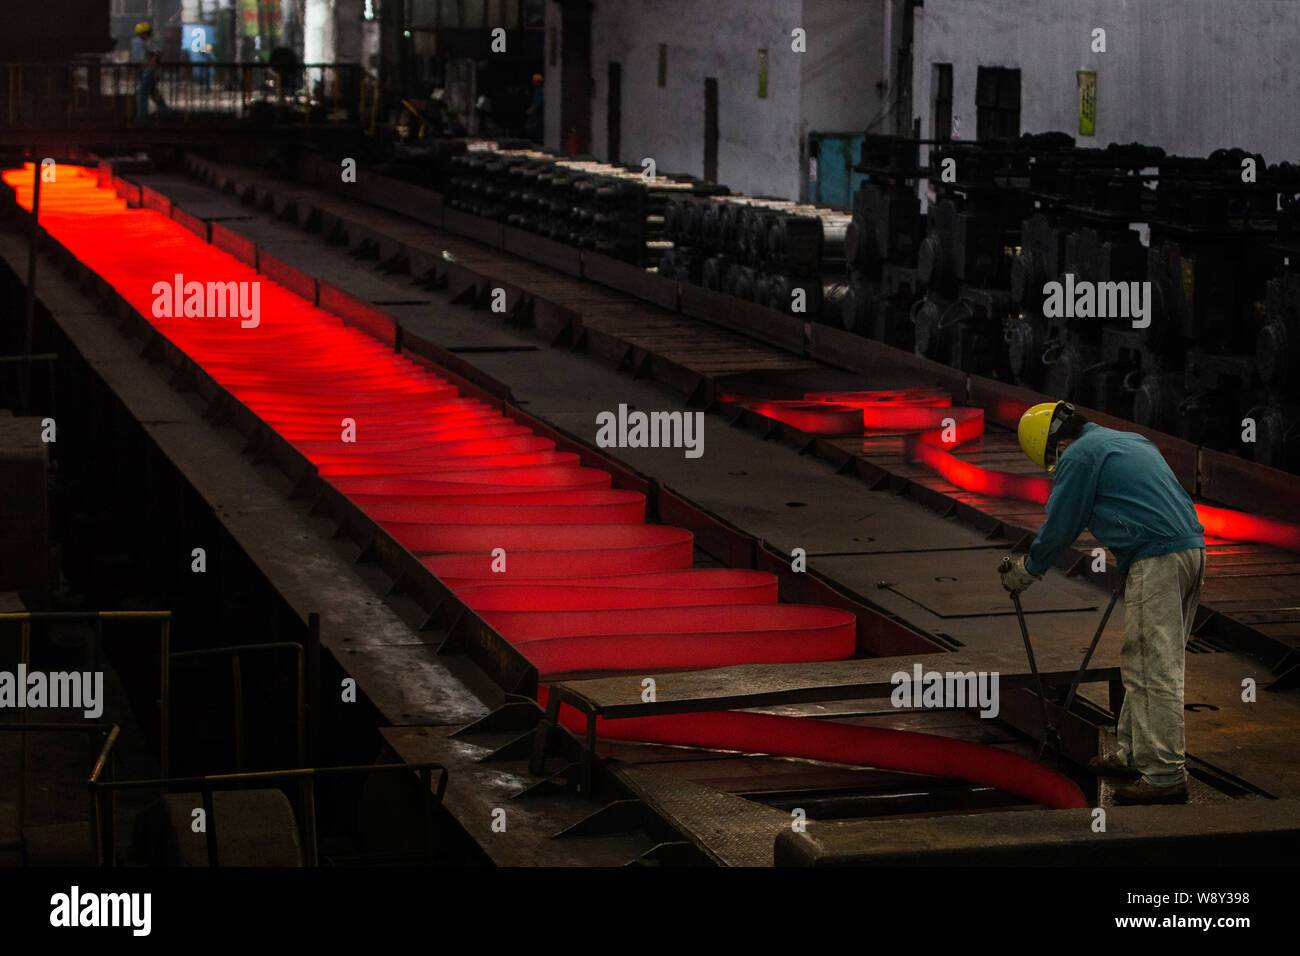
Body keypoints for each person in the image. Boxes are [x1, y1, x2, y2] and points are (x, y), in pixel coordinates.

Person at [999, 401, 1206, 805]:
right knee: (1141, 659)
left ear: (1055, 447)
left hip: (1158, 559)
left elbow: (1062, 523)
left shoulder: (1079, 455)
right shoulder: (1129, 440)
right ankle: (1134, 755)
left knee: (1155, 666)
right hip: (1189, 553)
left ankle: (1164, 776)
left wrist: (1029, 569)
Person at [524, 72, 544, 143]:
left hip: (537, 119)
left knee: (534, 135)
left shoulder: (541, 92)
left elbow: (537, 104)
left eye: (534, 81)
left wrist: (531, 110)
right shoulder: (536, 91)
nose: (533, 83)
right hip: (534, 118)